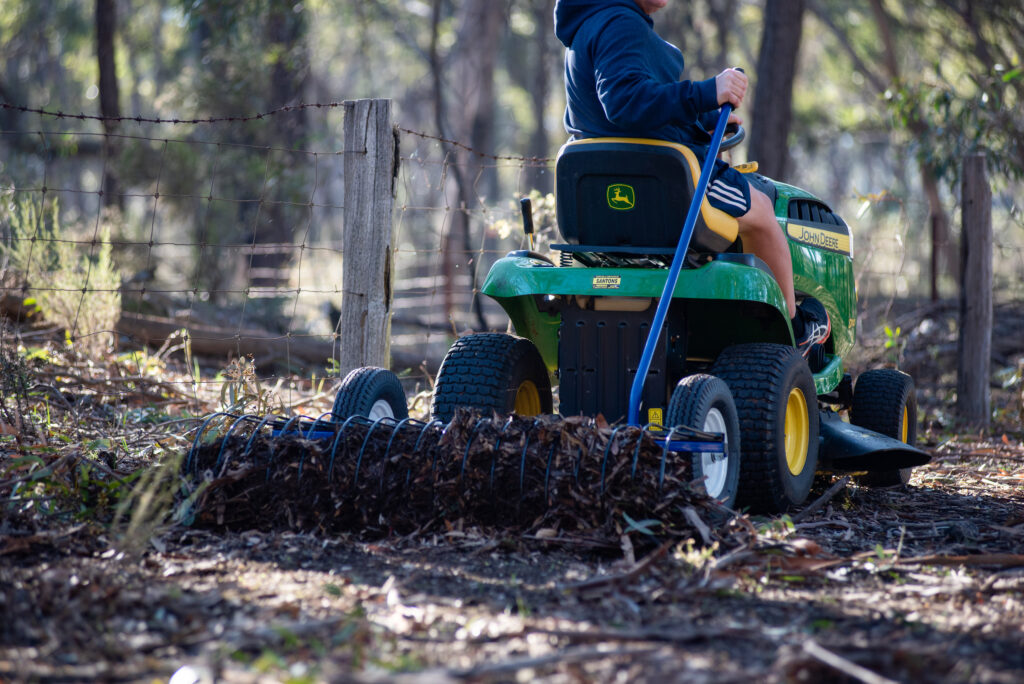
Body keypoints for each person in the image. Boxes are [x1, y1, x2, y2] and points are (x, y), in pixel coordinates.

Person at [554, 0, 830, 355]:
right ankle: (795, 333)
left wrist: (702, 120)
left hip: (606, 190)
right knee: (762, 212)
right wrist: (706, 92)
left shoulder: (594, 22)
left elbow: (636, 117)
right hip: (658, 183)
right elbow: (624, 104)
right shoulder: (620, 23)